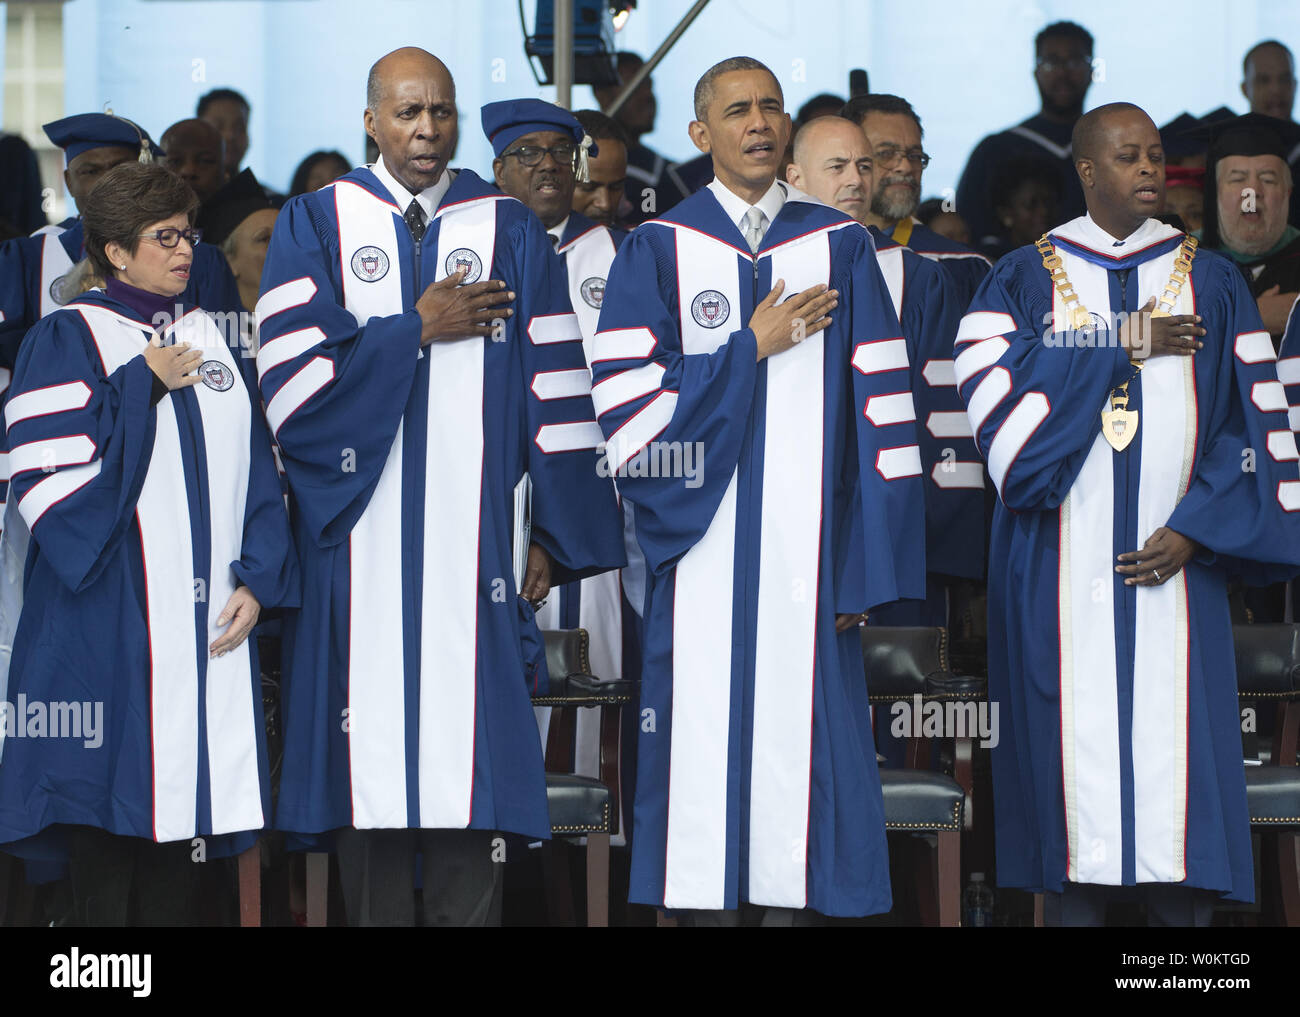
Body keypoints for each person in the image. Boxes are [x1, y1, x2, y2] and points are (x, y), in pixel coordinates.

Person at [262, 47, 624, 927]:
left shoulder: (505, 228)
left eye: (442, 113)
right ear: (372, 121)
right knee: (369, 776)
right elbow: (293, 391)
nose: (427, 132)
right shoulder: (316, 222)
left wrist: (553, 534)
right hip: (361, 547)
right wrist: (410, 329)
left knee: (476, 775)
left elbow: (558, 385)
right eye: (408, 113)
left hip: (478, 553)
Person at [593, 56, 925, 922]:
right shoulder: (658, 246)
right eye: (737, 109)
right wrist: (749, 346)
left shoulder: (841, 246)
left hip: (809, 562)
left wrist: (864, 564)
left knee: (803, 766)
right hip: (698, 554)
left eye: (771, 105)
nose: (759, 121)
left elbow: (885, 421)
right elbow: (629, 417)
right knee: (699, 754)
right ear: (700, 135)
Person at [958, 101, 1300, 925]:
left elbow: (1250, 430)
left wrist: (1196, 528)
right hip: (1056, 571)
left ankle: (1178, 967)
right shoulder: (1019, 279)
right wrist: (1121, 344)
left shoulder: (1211, 280)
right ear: (1086, 171)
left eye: (1155, 156)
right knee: (1068, 783)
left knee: (1177, 780)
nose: (1149, 169)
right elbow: (1009, 441)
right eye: (1127, 157)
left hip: (1181, 573)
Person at [0, 160, 297, 924]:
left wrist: (258, 577)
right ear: (113, 252)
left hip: (205, 631)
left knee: (182, 836)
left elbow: (260, 474)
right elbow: (53, 494)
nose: (185, 251)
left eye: (189, 235)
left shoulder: (210, 339)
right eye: (163, 237)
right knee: (105, 837)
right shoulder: (66, 338)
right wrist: (143, 384)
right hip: (108, 627)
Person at [786, 116, 983, 622]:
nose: (855, 179)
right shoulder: (757, 270)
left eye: (863, 166)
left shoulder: (916, 278)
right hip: (779, 534)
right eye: (837, 166)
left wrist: (904, 557)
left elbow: (945, 425)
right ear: (795, 177)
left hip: (892, 543)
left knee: (898, 694)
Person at [843, 94, 992, 309]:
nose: (905, 167)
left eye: (914, 155)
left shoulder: (962, 266)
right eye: (886, 153)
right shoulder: (808, 252)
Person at [956, 21, 1093, 250]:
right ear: (1035, 72)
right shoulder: (995, 150)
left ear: (1092, 72)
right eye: (1051, 63)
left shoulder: (1111, 149)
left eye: (1075, 61)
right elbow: (970, 229)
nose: (1063, 72)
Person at [1200, 114, 1300, 345]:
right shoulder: (1184, 260)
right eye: (1237, 179)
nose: (1252, 191)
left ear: (1288, 192)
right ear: (1215, 194)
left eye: (1268, 179)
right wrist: (1255, 316)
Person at [592, 51, 689, 225]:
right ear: (602, 95)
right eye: (634, 85)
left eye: (649, 85)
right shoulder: (576, 166)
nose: (648, 96)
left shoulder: (673, 175)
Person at [197, 168, 278, 315]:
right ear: (228, 261)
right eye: (264, 238)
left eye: (284, 235)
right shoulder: (213, 333)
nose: (281, 246)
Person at [980, 155, 1063, 262]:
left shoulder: (1067, 254)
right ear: (1005, 214)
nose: (1044, 211)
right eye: (1031, 205)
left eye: (1049, 202)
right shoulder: (991, 261)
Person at [571, 110, 629, 228]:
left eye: (616, 188)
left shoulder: (636, 244)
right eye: (588, 188)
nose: (605, 204)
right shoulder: (527, 242)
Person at [161, 119, 228, 206]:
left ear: (225, 173)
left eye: (204, 161)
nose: (188, 171)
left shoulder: (249, 217)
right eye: (175, 161)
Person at [197, 87, 251, 180]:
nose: (230, 136)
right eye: (218, 127)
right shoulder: (179, 193)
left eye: (239, 128)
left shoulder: (266, 194)